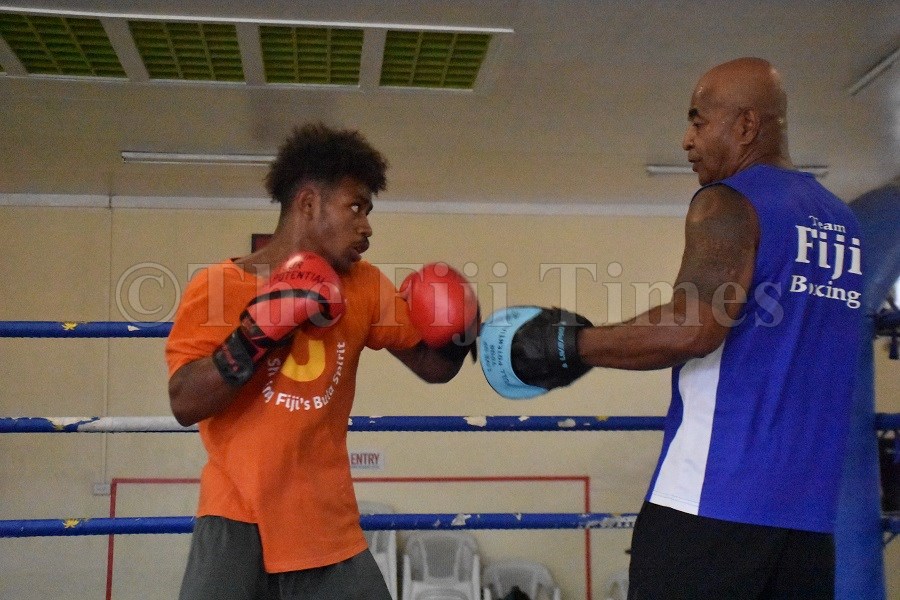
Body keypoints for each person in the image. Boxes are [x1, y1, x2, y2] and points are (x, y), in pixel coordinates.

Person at [479, 57, 863, 599]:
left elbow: (692, 328)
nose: (686, 140)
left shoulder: (730, 201)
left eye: (698, 122)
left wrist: (572, 345)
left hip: (711, 499)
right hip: (808, 523)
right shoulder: (843, 222)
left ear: (746, 126)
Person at [165, 123, 477, 600]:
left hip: (326, 523)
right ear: (308, 203)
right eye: (355, 207)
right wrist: (257, 333)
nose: (367, 226)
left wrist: (461, 327)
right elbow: (185, 402)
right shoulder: (218, 286)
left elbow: (433, 367)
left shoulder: (364, 285)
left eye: (369, 211)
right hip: (235, 517)